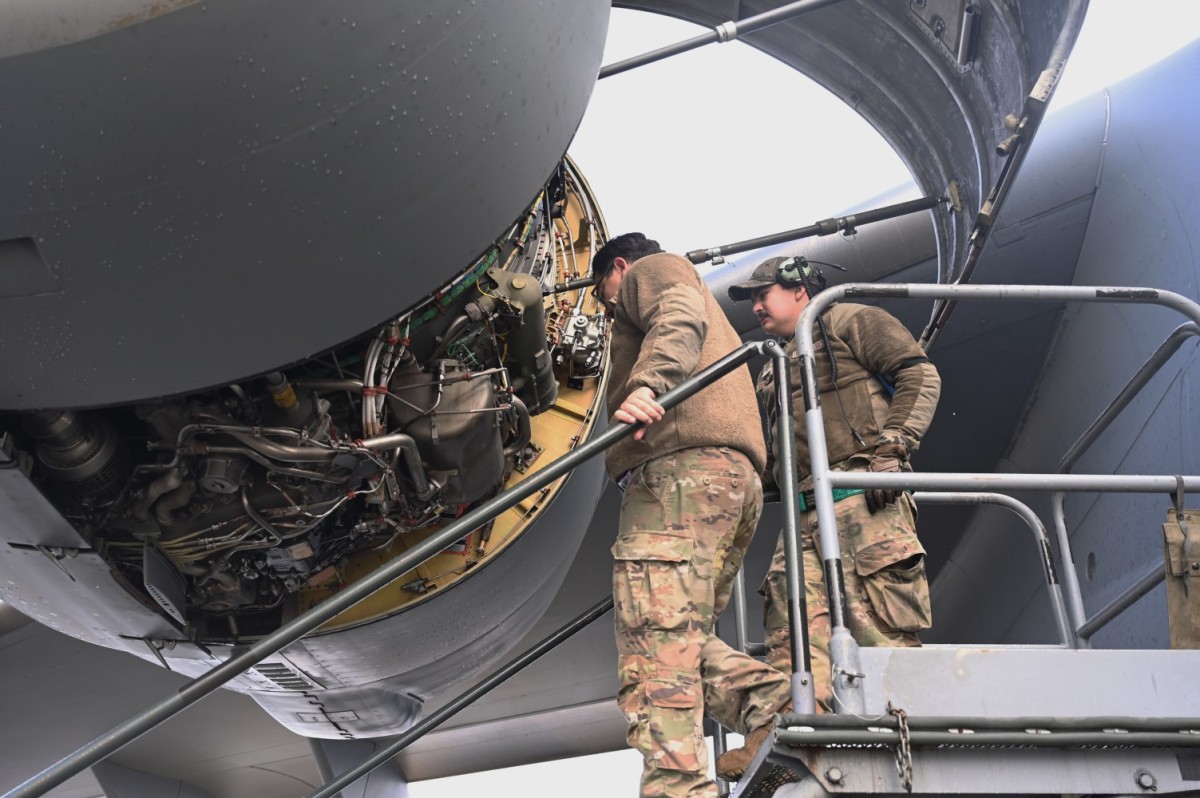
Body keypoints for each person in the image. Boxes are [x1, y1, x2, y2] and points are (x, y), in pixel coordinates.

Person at [716, 255, 941, 778]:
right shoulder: (772, 366)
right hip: (802, 515)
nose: (756, 306)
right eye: (752, 298)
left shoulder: (848, 320)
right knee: (791, 633)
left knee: (879, 628)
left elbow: (918, 373)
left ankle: (914, 737)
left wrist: (893, 447)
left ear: (798, 288)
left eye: (763, 293)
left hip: (862, 496)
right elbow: (771, 459)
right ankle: (784, 736)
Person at [593, 233, 792, 798]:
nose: (610, 308)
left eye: (605, 293)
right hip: (724, 481)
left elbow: (678, 313)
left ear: (619, 267)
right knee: (675, 640)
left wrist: (647, 385)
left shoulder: (652, 270)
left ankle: (677, 788)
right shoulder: (703, 306)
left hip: (680, 477)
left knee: (654, 646)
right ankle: (774, 706)